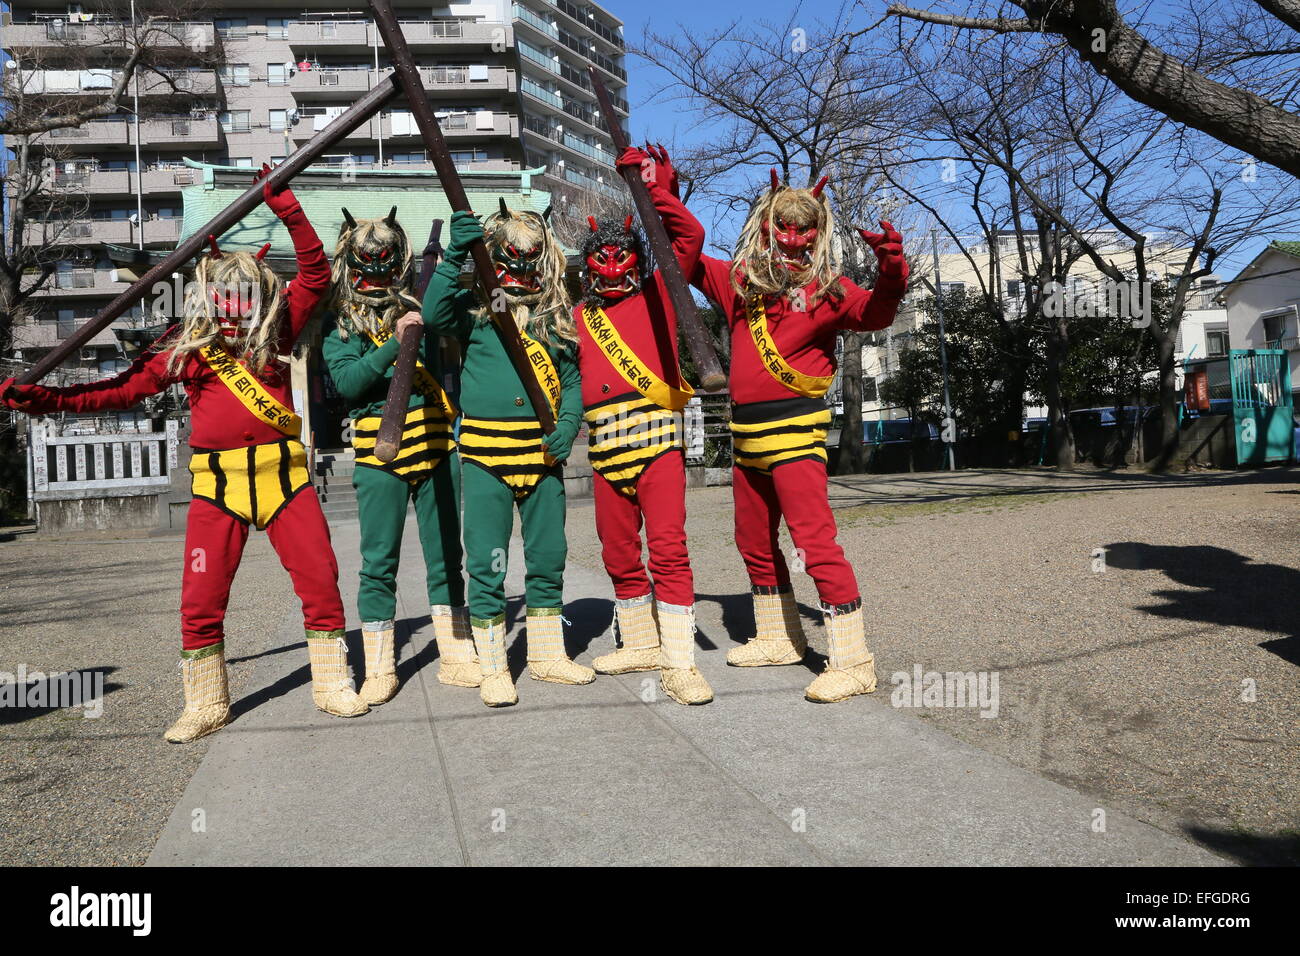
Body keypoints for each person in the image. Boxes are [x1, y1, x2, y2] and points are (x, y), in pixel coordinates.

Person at [1, 167, 368, 739]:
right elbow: (120, 389)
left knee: (320, 576)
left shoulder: (278, 333)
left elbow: (316, 276)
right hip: (216, 484)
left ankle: (332, 681)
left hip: (283, 476)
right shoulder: (188, 344)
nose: (234, 308)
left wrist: (288, 210)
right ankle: (206, 703)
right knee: (200, 596)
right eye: (226, 296)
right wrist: (46, 399)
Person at [690, 170, 909, 702]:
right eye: (781, 228)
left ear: (817, 234)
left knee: (815, 546)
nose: (791, 240)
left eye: (802, 231)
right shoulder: (739, 284)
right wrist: (662, 196)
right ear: (764, 229)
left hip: (795, 439)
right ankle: (777, 636)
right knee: (753, 542)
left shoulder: (830, 292)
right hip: (745, 440)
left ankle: (854, 662)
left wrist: (891, 265)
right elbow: (686, 259)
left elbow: (877, 312)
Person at [422, 204, 590, 707]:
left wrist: (567, 425)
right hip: (485, 459)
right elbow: (432, 315)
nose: (520, 270)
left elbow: (574, 380)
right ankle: (494, 665)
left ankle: (546, 655)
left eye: (530, 259)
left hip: (543, 458)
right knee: (488, 562)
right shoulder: (477, 311)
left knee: (547, 557)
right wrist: (454, 255)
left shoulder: (555, 314)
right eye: (510, 259)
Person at [320, 206, 478, 706]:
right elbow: (347, 382)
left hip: (436, 446)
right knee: (378, 562)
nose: (378, 275)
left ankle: (456, 648)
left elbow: (448, 317)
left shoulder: (421, 303)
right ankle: (380, 664)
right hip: (377, 453)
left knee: (447, 555)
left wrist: (453, 258)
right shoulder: (339, 322)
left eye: (387, 263)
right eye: (368, 265)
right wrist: (394, 343)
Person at [577, 145, 711, 705]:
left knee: (668, 547)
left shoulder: (661, 294)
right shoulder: (578, 314)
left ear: (637, 255)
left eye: (621, 253)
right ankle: (639, 639)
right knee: (616, 549)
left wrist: (656, 192)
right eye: (599, 256)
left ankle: (679, 659)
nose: (610, 265)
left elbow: (689, 243)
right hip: (605, 445)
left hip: (657, 440)